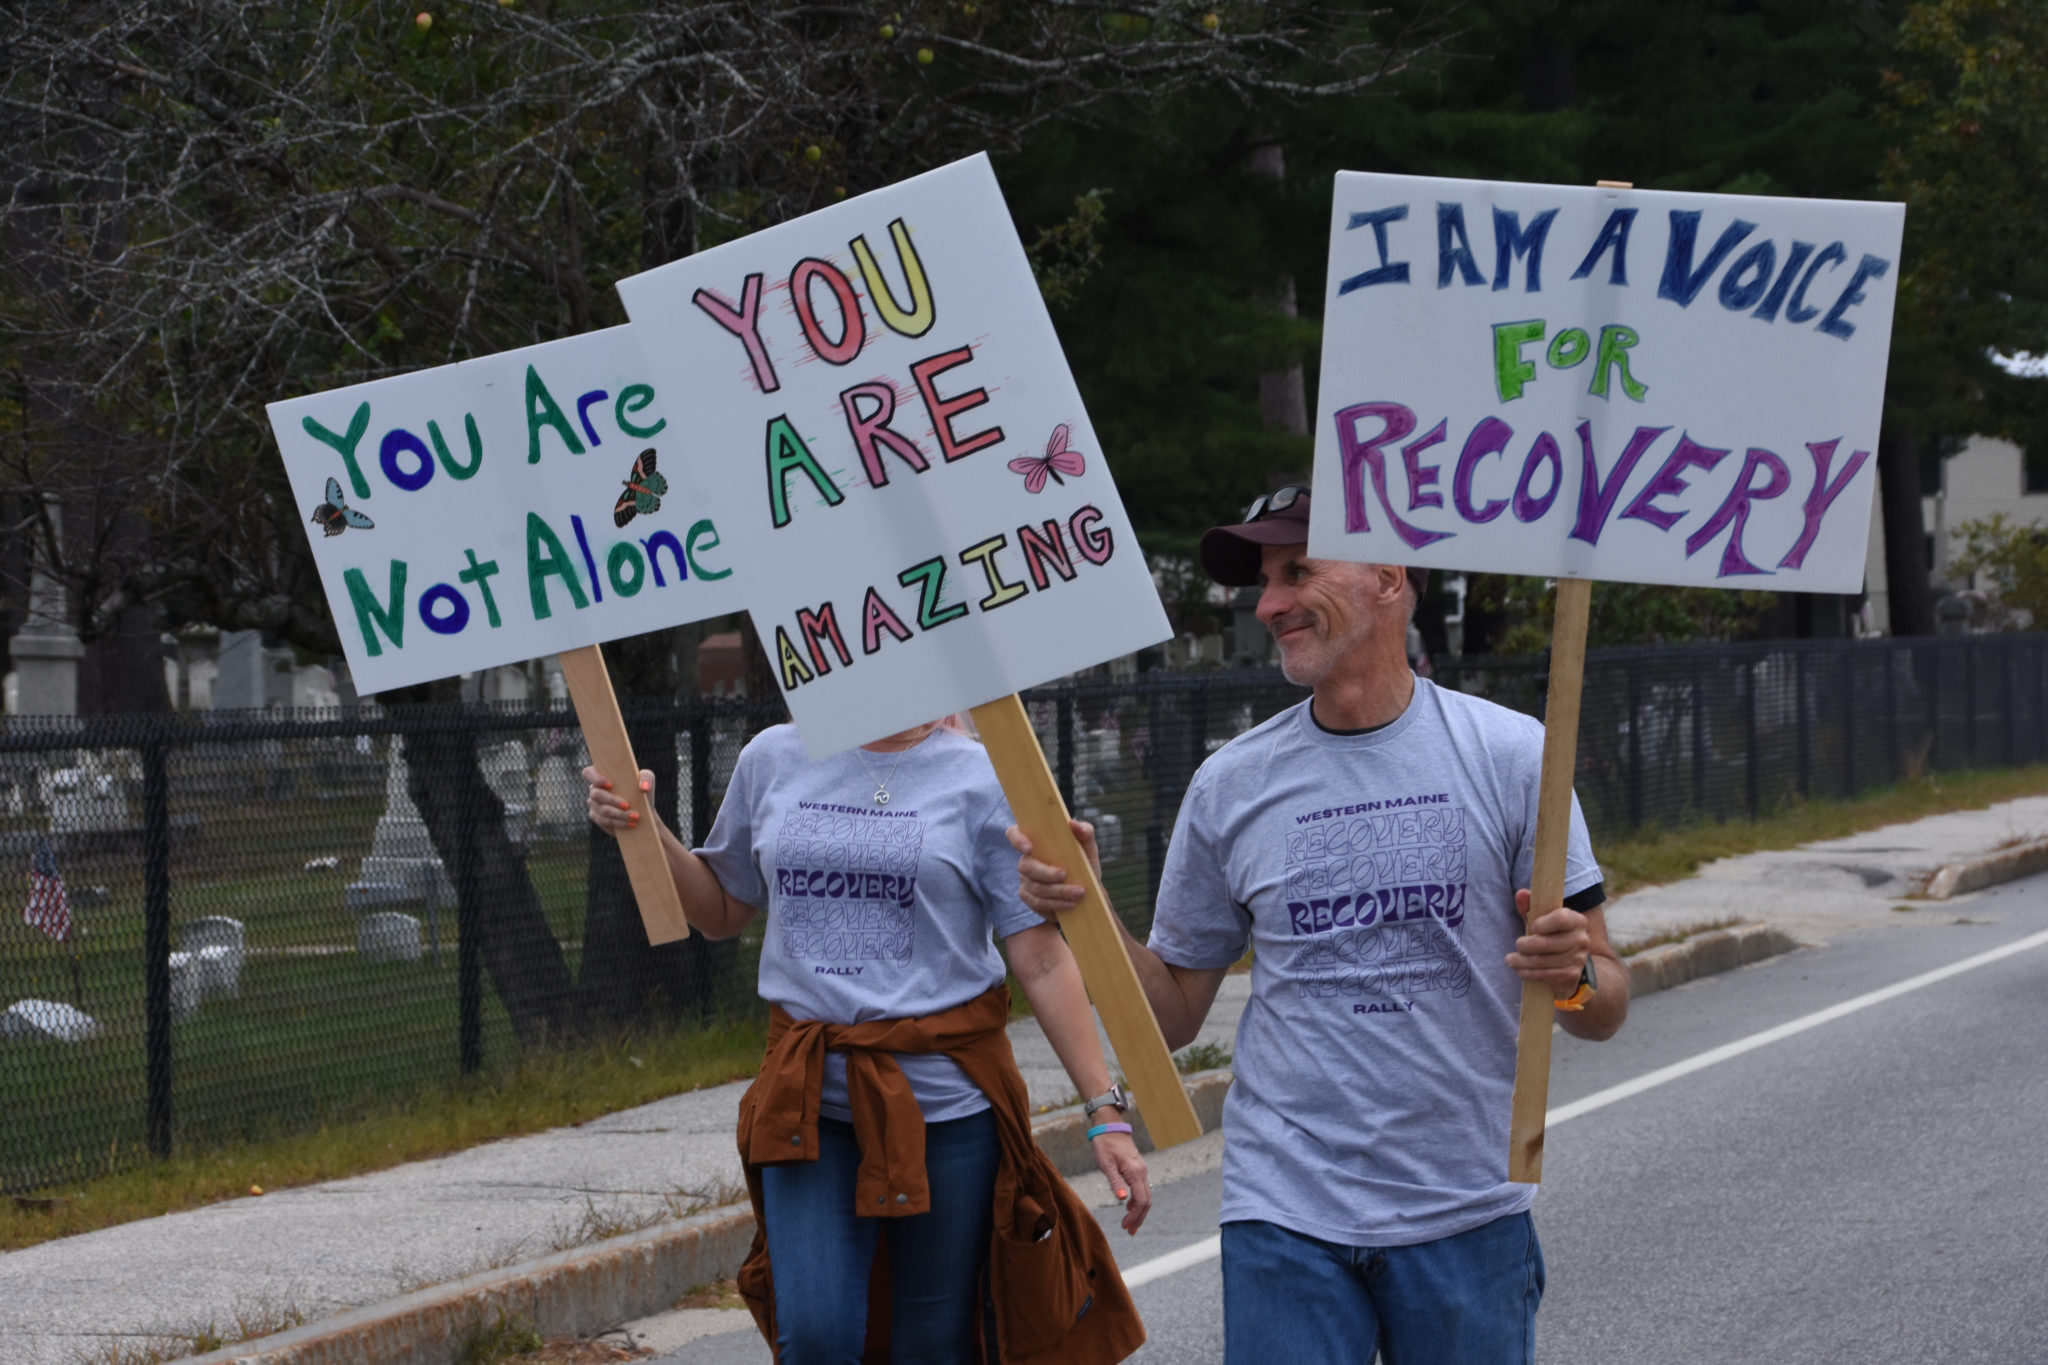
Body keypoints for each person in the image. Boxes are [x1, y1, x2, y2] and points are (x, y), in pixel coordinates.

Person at [1012, 483, 1629, 1364]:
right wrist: (1089, 910)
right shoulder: (1231, 784)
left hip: (1466, 1209)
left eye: (1296, 571)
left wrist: (1573, 977)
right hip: (1284, 1209)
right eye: (1264, 580)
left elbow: (1604, 1005)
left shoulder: (1514, 755)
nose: (1268, 604)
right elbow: (1175, 1016)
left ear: (1388, 576)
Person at [586, 714, 1148, 1365]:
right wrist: (646, 827)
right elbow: (720, 909)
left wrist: (1104, 1112)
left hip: (949, 1116)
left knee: (933, 1345)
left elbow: (1043, 960)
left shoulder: (984, 776)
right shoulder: (772, 756)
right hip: (809, 1112)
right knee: (814, 1336)